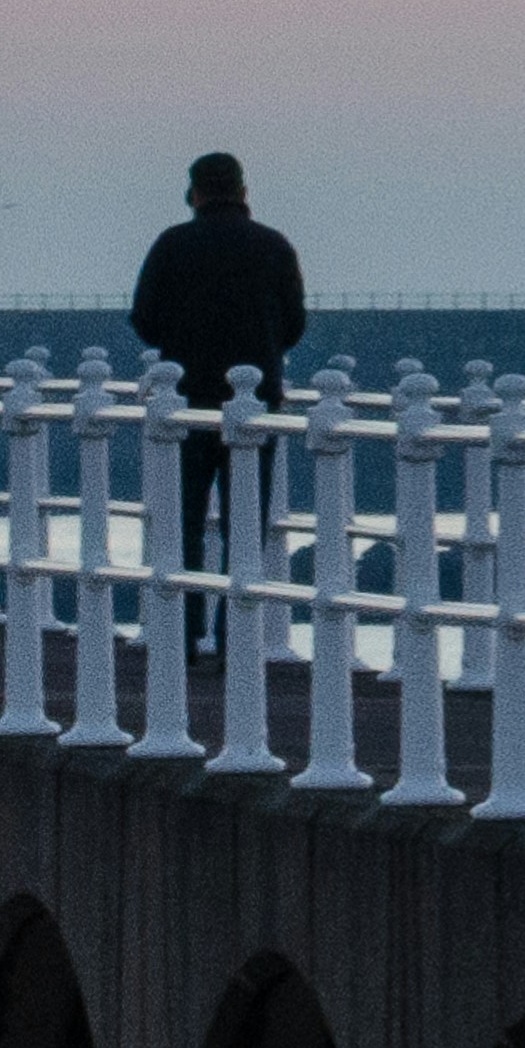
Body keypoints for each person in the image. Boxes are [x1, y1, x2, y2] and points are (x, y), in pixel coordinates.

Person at [127, 154, 310, 666]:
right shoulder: (274, 246)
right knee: (245, 526)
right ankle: (238, 644)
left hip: (186, 399)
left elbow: (144, 318)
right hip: (253, 405)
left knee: (180, 522)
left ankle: (179, 640)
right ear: (243, 190)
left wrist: (185, 343)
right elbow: (294, 323)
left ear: (195, 193)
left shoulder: (172, 244)